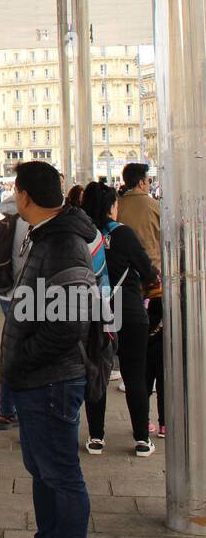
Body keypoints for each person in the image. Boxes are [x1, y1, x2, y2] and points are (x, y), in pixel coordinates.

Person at [0, 160, 97, 538]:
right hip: (38, 381)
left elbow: (69, 326)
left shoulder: (62, 244)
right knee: (43, 472)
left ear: (24, 195)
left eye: (14, 189)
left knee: (62, 477)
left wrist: (23, 362)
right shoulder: (47, 236)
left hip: (52, 382)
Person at [81, 181, 160, 457]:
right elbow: (148, 271)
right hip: (129, 313)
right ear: (110, 207)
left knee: (97, 373)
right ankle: (141, 439)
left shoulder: (82, 237)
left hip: (94, 315)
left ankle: (96, 438)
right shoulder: (124, 234)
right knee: (135, 376)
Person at [118, 162, 164, 438]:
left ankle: (130, 376)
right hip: (152, 282)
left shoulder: (118, 206)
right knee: (155, 338)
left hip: (125, 285)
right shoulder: (153, 206)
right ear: (143, 183)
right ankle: (161, 421)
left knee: (133, 343)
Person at [0, 192, 31, 427]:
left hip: (5, 295)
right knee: (26, 356)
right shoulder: (31, 226)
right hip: (28, 296)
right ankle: (25, 413)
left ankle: (7, 411)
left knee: (12, 352)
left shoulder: (5, 222)